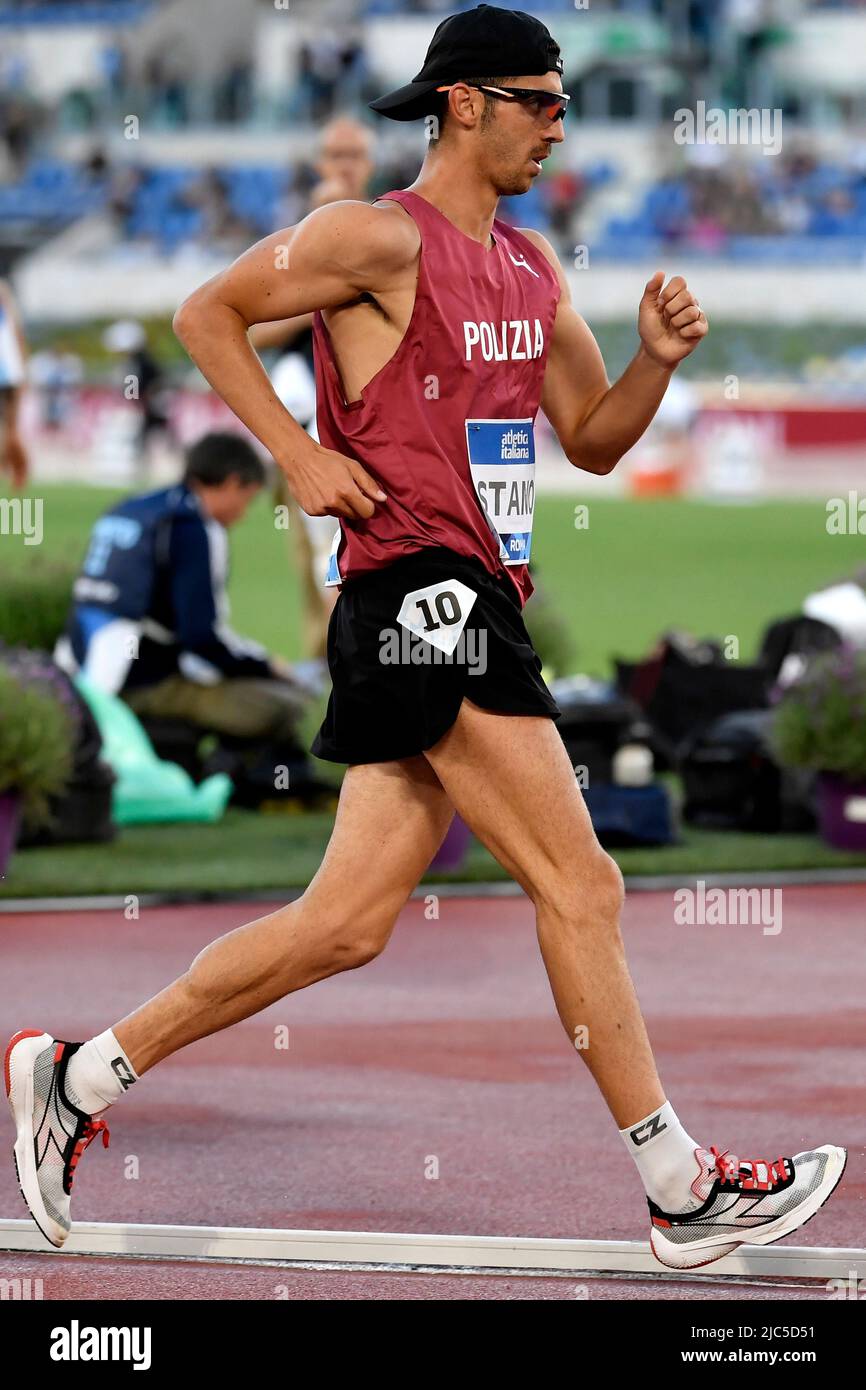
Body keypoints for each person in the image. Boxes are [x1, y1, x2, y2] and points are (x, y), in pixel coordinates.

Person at [7, 4, 844, 1270]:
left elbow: (597, 438)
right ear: (463, 101)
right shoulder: (370, 239)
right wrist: (295, 456)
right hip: (415, 592)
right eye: (540, 101)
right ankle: (678, 1186)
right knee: (584, 882)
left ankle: (76, 1075)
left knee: (343, 924)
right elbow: (203, 316)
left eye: (565, 104)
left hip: (477, 597)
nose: (559, 125)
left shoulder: (530, 267)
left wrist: (657, 361)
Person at [53, 431, 312, 750]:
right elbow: (201, 638)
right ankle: (240, 774)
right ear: (232, 483)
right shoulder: (193, 527)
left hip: (77, 669)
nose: (242, 514)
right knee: (292, 706)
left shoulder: (130, 509)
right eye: (247, 499)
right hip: (143, 683)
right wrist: (266, 667)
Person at [252, 116, 376, 658]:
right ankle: (330, 668)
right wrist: (320, 294)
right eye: (336, 154)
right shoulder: (293, 237)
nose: (345, 164)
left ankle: (354, 667)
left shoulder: (387, 225)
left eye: (354, 154)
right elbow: (253, 327)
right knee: (319, 555)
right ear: (321, 162)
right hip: (310, 416)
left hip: (371, 411)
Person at [0, 277, 28, 487]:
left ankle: (13, 468)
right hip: (12, 375)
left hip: (10, 376)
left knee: (11, 429)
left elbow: (19, 341)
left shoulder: (8, 320)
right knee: (9, 429)